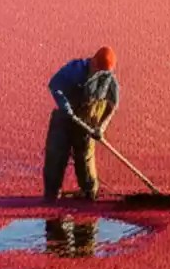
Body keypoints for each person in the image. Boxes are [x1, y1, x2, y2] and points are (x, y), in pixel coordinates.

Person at [43, 46, 120, 202]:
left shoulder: (108, 79)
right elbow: (54, 85)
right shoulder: (74, 69)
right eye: (98, 70)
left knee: (85, 159)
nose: (99, 74)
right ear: (93, 62)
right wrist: (64, 104)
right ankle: (52, 195)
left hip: (88, 125)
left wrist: (101, 127)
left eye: (104, 72)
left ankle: (89, 194)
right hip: (65, 121)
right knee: (56, 156)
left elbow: (112, 105)